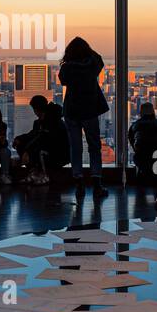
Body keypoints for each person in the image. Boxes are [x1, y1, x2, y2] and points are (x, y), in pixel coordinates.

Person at [58, 36, 109, 198]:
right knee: (94, 147)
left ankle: (78, 182)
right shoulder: (92, 65)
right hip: (89, 110)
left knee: (76, 147)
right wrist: (87, 50)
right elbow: (99, 59)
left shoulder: (67, 68)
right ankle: (97, 183)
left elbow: (62, 81)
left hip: (72, 110)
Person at [13, 95, 70, 185]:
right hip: (44, 149)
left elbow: (46, 140)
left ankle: (45, 175)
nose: (35, 112)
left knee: (38, 150)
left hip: (58, 153)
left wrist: (28, 150)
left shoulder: (55, 122)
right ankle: (33, 173)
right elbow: (33, 134)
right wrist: (19, 139)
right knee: (20, 144)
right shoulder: (38, 123)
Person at [127, 102, 157, 184]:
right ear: (153, 111)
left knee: (141, 175)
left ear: (141, 112)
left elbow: (132, 142)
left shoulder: (135, 125)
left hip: (142, 158)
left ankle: (141, 183)